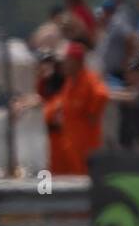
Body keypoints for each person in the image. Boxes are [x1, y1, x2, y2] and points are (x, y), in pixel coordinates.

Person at [43, 41, 110, 175]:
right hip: (69, 142)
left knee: (85, 178)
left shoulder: (89, 79)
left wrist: (93, 113)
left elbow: (102, 94)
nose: (63, 65)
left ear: (76, 61)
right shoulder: (69, 82)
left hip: (85, 144)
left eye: (67, 61)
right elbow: (60, 102)